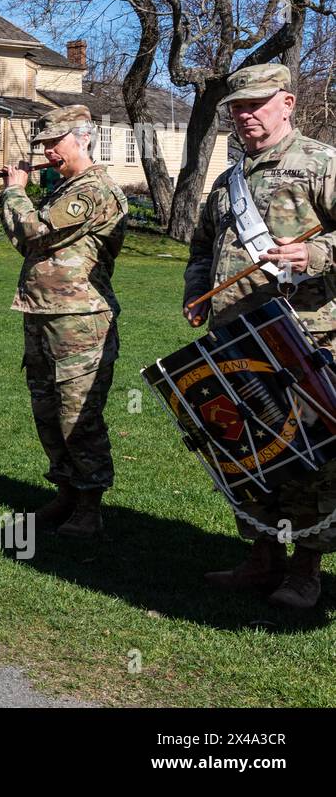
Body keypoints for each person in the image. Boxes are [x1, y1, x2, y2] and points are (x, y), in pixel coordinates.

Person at [185, 63, 336, 609]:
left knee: (307, 458)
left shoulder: (320, 163)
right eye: (237, 107)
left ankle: (305, 570)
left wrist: (315, 253)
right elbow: (203, 246)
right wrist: (194, 291)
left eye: (256, 104)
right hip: (234, 339)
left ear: (287, 102)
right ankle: (260, 556)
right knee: (248, 451)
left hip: (303, 337)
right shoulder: (230, 181)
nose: (245, 115)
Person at [2, 105, 128, 539]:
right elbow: (29, 244)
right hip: (43, 313)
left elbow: (33, 231)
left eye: (54, 144)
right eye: (43, 146)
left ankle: (89, 505)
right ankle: (66, 491)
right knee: (47, 409)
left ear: (83, 138)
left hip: (80, 320)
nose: (48, 154)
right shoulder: (63, 189)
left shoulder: (92, 191)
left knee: (78, 414)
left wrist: (15, 192)